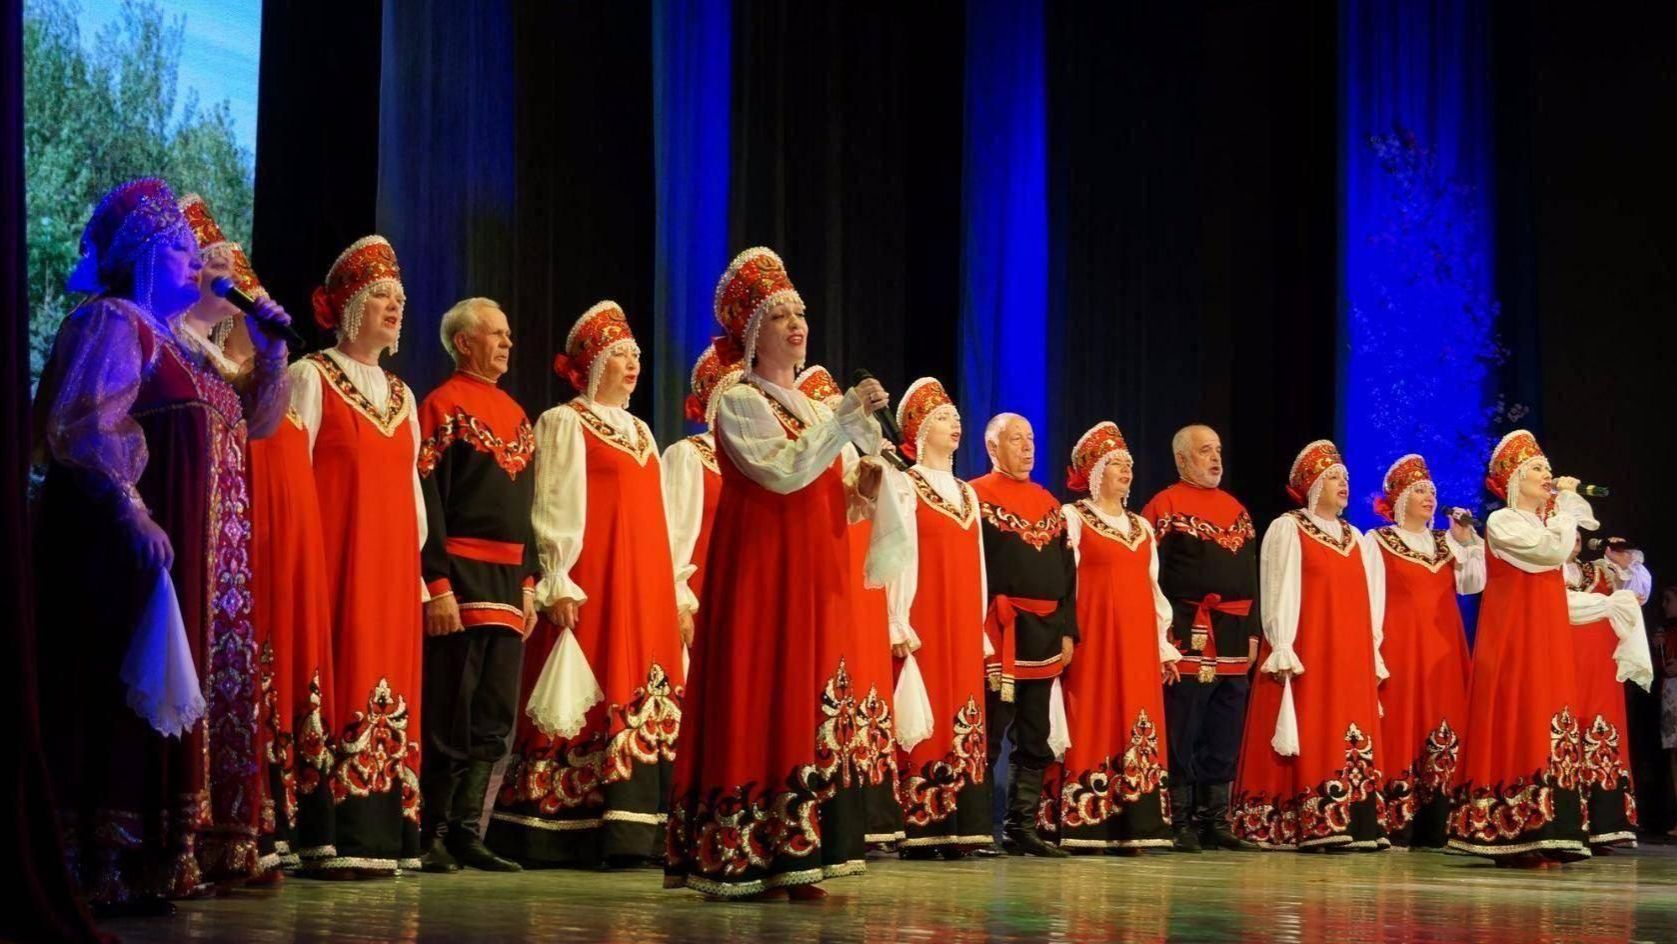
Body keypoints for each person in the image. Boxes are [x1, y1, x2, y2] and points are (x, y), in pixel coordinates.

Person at [34, 178, 291, 912]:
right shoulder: (116, 321)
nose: (198, 265)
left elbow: (258, 422)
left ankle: (175, 852)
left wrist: (271, 349)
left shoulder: (189, 348)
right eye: (182, 252)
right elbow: (85, 424)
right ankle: (106, 856)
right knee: (118, 691)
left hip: (203, 556)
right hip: (128, 550)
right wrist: (131, 509)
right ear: (145, 256)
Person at [665, 247, 905, 899]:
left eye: (799, 312)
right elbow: (780, 471)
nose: (796, 324)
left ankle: (798, 851)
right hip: (763, 575)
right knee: (762, 690)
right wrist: (844, 420)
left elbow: (825, 492)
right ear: (751, 334)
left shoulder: (810, 408)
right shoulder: (739, 399)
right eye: (778, 316)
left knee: (807, 696)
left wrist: (863, 483)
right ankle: (748, 851)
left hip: (811, 572)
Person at [489, 302, 685, 869]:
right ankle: (567, 826)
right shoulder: (565, 421)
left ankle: (642, 826)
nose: (632, 364)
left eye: (635, 355)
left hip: (644, 583)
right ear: (593, 363)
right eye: (619, 354)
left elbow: (660, 518)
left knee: (644, 686)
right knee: (590, 687)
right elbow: (553, 500)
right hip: (595, 579)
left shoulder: (642, 431)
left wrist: (673, 591)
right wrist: (557, 577)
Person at [183, 193, 333, 877]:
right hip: (188, 529)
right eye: (210, 270)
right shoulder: (159, 340)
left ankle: (228, 829)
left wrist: (272, 348)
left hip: (233, 544)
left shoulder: (231, 370)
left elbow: (264, 420)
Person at [288, 235, 426, 876]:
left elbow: (412, 494)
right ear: (346, 307)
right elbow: (290, 478)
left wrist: (415, 575)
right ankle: (327, 829)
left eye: (399, 298)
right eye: (380, 297)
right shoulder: (310, 377)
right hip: (335, 562)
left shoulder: (404, 395)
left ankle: (382, 831)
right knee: (337, 674)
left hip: (391, 569)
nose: (395, 307)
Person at [414, 297, 537, 874]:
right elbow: (428, 502)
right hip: (460, 577)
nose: (508, 343)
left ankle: (468, 831)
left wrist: (530, 581)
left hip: (509, 581)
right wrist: (436, 582)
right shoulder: (441, 406)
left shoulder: (517, 413)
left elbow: (527, 508)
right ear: (464, 342)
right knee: (450, 711)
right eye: (497, 333)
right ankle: (432, 833)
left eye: (508, 334)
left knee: (493, 714)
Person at [1231, 440, 1388, 851]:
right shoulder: (1290, 528)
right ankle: (1306, 819)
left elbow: (1369, 602)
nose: (1343, 483)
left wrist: (1371, 650)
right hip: (1310, 646)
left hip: (1349, 651)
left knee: (1347, 726)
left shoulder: (1356, 537)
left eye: (1344, 477)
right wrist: (1282, 642)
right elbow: (1278, 585)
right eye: (1333, 477)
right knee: (1312, 720)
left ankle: (1351, 819)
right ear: (1313, 484)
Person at [1446, 430, 1594, 863]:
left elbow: (1558, 576)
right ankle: (1510, 825)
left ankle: (1552, 827)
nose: (1548, 474)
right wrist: (1565, 510)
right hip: (1515, 639)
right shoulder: (1503, 521)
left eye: (1548, 468)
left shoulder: (1545, 523)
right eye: (1537, 468)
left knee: (1548, 715)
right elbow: (1551, 552)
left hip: (1546, 636)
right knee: (1518, 714)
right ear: (1514, 478)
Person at [1041, 421, 1179, 851]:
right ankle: (1087, 818)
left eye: (1128, 464)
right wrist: (1064, 634)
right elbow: (1064, 582)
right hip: (1095, 637)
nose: (1126, 470)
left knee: (1135, 716)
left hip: (1136, 642)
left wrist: (1163, 646)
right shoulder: (1074, 518)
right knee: (1092, 713)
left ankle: (1136, 819)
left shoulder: (1142, 527)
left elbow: (1153, 589)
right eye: (1116, 463)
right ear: (1096, 472)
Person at [1139, 425, 1261, 852]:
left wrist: (1253, 632)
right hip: (1187, 633)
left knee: (1224, 728)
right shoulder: (1164, 506)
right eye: (1205, 451)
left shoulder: (1237, 510)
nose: (1215, 458)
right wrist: (1160, 636)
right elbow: (1149, 576)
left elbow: (1250, 576)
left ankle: (1215, 820)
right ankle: (1179, 819)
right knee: (1183, 725)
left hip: (1233, 635)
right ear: (1182, 459)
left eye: (1218, 450)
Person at [799, 362, 906, 848]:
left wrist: (866, 484)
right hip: (816, 576)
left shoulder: (847, 450)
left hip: (852, 579)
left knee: (851, 693)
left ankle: (857, 815)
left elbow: (853, 508)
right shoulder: (801, 446)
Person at [884, 378, 991, 857]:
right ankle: (921, 821)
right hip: (925, 612)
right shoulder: (907, 485)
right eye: (944, 417)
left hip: (962, 617)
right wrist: (897, 617)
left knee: (962, 708)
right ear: (921, 428)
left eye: (956, 417)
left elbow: (979, 564)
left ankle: (962, 824)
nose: (956, 424)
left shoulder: (968, 493)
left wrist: (980, 626)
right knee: (926, 708)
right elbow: (899, 555)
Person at [1360, 454, 1484, 848]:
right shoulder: (1378, 541)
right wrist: (1372, 650)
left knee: (1444, 723)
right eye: (1419, 491)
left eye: (1431, 490)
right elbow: (1369, 599)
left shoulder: (1447, 544)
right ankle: (1397, 820)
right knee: (1402, 722)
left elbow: (1473, 583)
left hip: (1442, 653)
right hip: (1400, 648)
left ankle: (1439, 821)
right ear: (1399, 499)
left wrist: (1468, 540)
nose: (1429, 497)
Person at [969, 413, 1076, 858]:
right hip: (999, 630)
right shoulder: (975, 496)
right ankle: (976, 829)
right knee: (990, 731)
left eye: (1030, 438)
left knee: (1036, 733)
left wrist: (1068, 631)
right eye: (1016, 439)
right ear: (993, 447)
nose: (1028, 446)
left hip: (1044, 633)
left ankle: (1021, 826)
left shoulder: (1049, 502)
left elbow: (1068, 574)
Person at [1563, 535, 1653, 850]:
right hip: (1561, 660)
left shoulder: (1602, 571)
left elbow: (1638, 595)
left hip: (1600, 667)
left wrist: (1625, 563)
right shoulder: (1543, 572)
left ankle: (1601, 824)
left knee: (1598, 730)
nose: (1574, 534)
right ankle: (1566, 823)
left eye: (1577, 530)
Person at [662, 343, 744, 660]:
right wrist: (679, 602)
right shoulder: (689, 455)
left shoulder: (757, 461)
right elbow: (673, 535)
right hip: (704, 596)